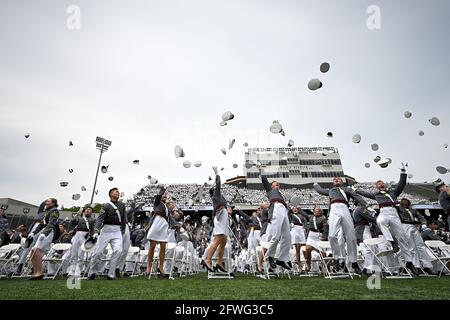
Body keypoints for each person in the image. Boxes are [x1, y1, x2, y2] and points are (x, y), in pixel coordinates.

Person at [355, 165, 419, 276]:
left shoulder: (393, 193)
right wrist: (355, 190)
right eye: (378, 183)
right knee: (380, 221)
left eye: (381, 182)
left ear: (385, 184)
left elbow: (402, 184)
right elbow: (365, 194)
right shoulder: (376, 195)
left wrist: (403, 172)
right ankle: (392, 242)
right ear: (377, 187)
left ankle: (409, 262)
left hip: (393, 213)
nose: (380, 184)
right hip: (384, 212)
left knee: (402, 238)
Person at [313, 177, 365, 274]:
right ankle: (336, 258)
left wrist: (366, 205)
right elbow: (319, 190)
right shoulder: (330, 191)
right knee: (332, 235)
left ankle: (353, 262)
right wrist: (315, 183)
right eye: (334, 179)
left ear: (342, 182)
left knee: (351, 237)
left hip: (345, 208)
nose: (336, 179)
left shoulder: (347, 189)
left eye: (339, 179)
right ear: (332, 182)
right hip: (334, 210)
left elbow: (357, 197)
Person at [88, 188, 127, 280]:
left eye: (118, 191)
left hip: (117, 230)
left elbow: (124, 218)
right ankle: (92, 272)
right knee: (98, 252)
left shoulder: (122, 205)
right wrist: (96, 231)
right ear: (110, 194)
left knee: (118, 251)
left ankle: (111, 274)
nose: (118, 192)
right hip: (106, 229)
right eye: (116, 191)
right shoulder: (105, 205)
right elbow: (100, 219)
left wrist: (123, 230)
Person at [259, 168, 291, 271]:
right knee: (276, 235)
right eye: (276, 184)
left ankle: (282, 259)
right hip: (276, 208)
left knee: (287, 236)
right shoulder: (270, 191)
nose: (278, 185)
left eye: (278, 184)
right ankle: (270, 256)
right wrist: (261, 170)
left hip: (284, 210)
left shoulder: (282, 194)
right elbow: (264, 180)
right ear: (272, 186)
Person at [202, 167, 231, 273]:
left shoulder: (218, 197)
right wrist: (217, 173)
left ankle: (219, 262)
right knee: (218, 240)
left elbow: (224, 204)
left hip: (223, 216)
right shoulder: (216, 195)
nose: (217, 188)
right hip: (220, 218)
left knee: (223, 242)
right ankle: (208, 260)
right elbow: (218, 183)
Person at [397, 198, 434, 274]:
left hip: (413, 226)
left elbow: (421, 217)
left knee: (420, 245)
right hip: (404, 226)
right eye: (404, 204)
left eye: (407, 204)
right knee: (411, 247)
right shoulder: (398, 210)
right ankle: (416, 265)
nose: (405, 205)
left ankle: (426, 265)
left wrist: (424, 223)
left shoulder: (413, 210)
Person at [146, 186, 174, 278]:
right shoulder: (157, 202)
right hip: (156, 224)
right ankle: (149, 267)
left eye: (165, 195)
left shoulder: (166, 206)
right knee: (152, 246)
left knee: (163, 247)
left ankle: (161, 267)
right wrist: (163, 189)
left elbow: (171, 216)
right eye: (163, 195)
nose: (164, 196)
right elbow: (158, 195)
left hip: (164, 225)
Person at [28, 198, 60, 280]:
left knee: (36, 250)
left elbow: (51, 224)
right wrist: (33, 233)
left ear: (53, 203)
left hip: (49, 232)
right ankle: (36, 272)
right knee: (32, 252)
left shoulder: (54, 211)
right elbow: (41, 224)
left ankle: (40, 272)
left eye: (48, 201)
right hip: (44, 231)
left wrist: (44, 234)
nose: (46, 203)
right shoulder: (47, 211)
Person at [68, 206, 95, 277]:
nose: (87, 211)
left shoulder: (93, 220)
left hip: (85, 235)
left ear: (92, 212)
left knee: (81, 254)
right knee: (74, 253)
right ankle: (71, 271)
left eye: (89, 210)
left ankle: (78, 272)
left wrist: (90, 237)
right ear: (84, 211)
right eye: (86, 210)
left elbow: (92, 229)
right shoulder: (79, 218)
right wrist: (77, 214)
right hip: (77, 234)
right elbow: (71, 223)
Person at [299, 206, 328, 273]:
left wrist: (323, 237)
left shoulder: (323, 218)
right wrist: (299, 209)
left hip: (319, 236)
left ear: (320, 211)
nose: (316, 211)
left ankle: (327, 267)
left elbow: (326, 229)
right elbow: (304, 214)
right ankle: (308, 265)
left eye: (317, 210)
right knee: (308, 248)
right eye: (315, 210)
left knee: (322, 253)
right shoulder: (311, 217)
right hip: (311, 236)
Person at [290, 206, 307, 272]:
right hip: (294, 230)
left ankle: (306, 264)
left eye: (296, 208)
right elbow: (287, 212)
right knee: (297, 249)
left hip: (301, 230)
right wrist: (290, 207)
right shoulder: (291, 215)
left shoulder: (302, 215)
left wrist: (305, 229)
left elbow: (305, 222)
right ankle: (299, 266)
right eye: (294, 208)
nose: (295, 209)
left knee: (304, 248)